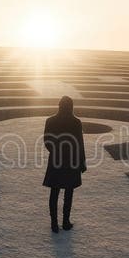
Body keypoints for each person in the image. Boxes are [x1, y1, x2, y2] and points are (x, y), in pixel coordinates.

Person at [43, 96, 86, 232]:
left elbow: (47, 140)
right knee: (69, 192)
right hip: (71, 161)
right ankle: (65, 222)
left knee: (54, 191)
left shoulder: (50, 121)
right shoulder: (76, 122)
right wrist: (81, 162)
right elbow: (79, 143)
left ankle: (54, 223)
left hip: (56, 160)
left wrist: (56, 151)